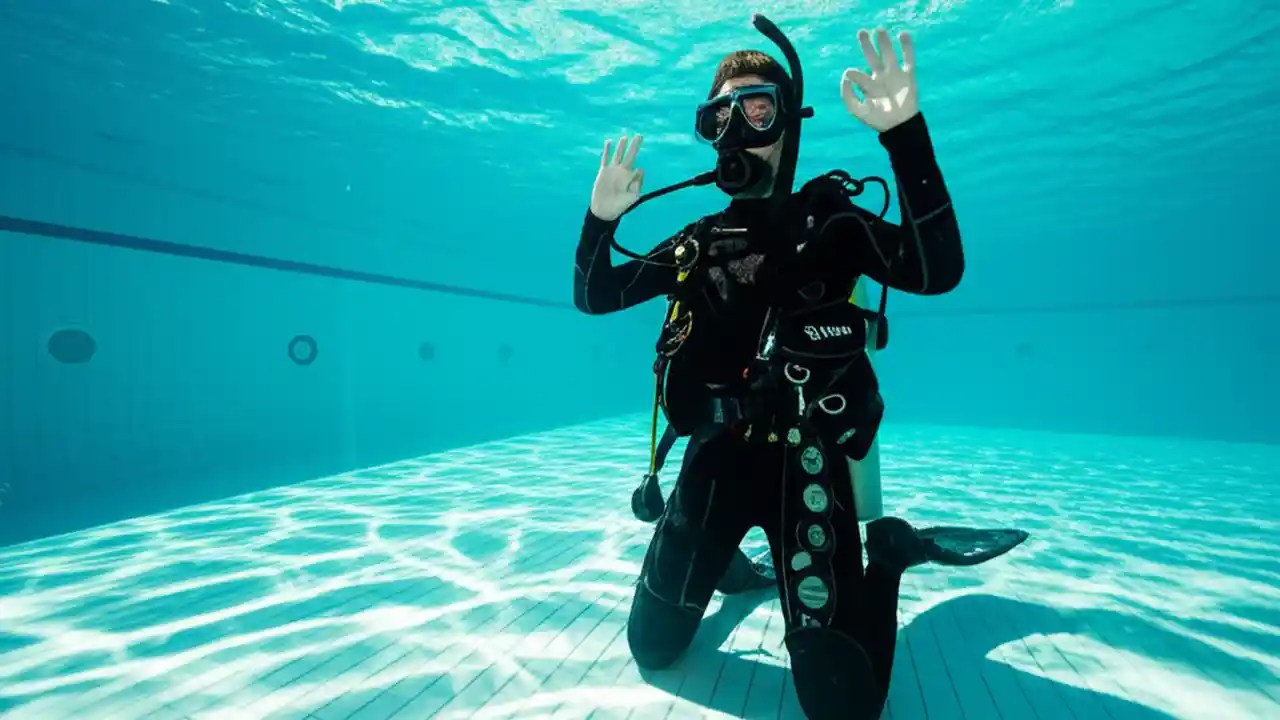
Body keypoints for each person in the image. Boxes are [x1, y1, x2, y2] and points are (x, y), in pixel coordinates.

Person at [572, 15, 1027, 719]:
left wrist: (905, 134)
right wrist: (600, 222)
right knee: (652, 649)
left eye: (756, 108)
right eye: (718, 115)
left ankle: (891, 553)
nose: (736, 130)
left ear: (789, 121)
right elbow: (597, 295)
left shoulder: (833, 226)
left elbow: (940, 270)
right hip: (713, 463)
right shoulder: (699, 241)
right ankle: (723, 560)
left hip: (808, 462)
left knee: (842, 706)